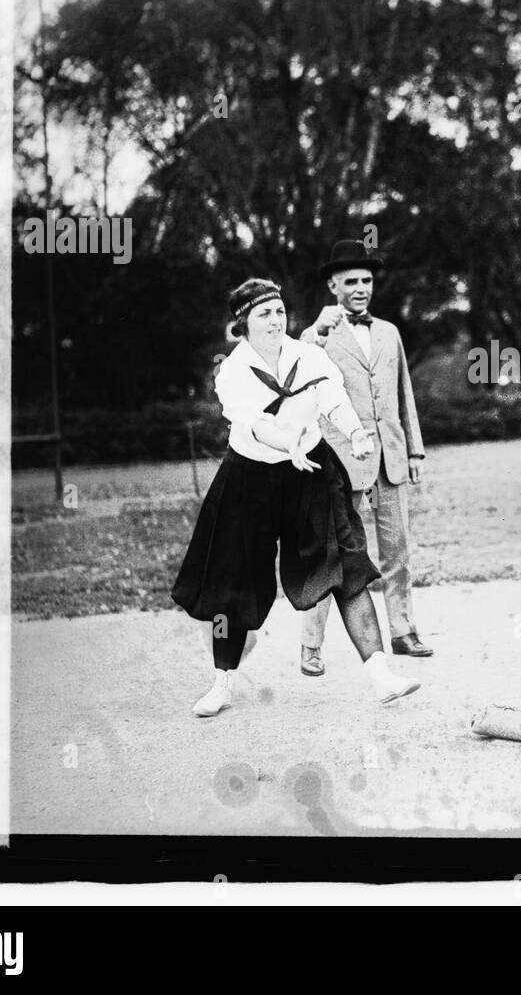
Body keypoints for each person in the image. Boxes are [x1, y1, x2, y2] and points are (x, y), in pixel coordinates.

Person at [172, 277, 420, 717]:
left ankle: (382, 676)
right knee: (232, 580)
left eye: (280, 312)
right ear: (243, 323)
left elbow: (333, 399)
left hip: (312, 472)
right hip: (249, 479)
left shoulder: (309, 356)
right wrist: (288, 444)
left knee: (346, 565)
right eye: (264, 313)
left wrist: (355, 432)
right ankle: (221, 683)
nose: (276, 320)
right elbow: (253, 424)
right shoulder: (232, 372)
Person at [296, 240, 431, 676]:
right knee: (332, 554)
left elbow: (403, 393)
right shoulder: (318, 335)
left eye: (367, 280)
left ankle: (403, 631)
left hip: (390, 458)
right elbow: (297, 370)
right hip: (340, 461)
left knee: (398, 550)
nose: (361, 288)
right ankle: (311, 645)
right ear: (333, 286)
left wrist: (414, 450)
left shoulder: (389, 332)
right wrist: (316, 330)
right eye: (351, 281)